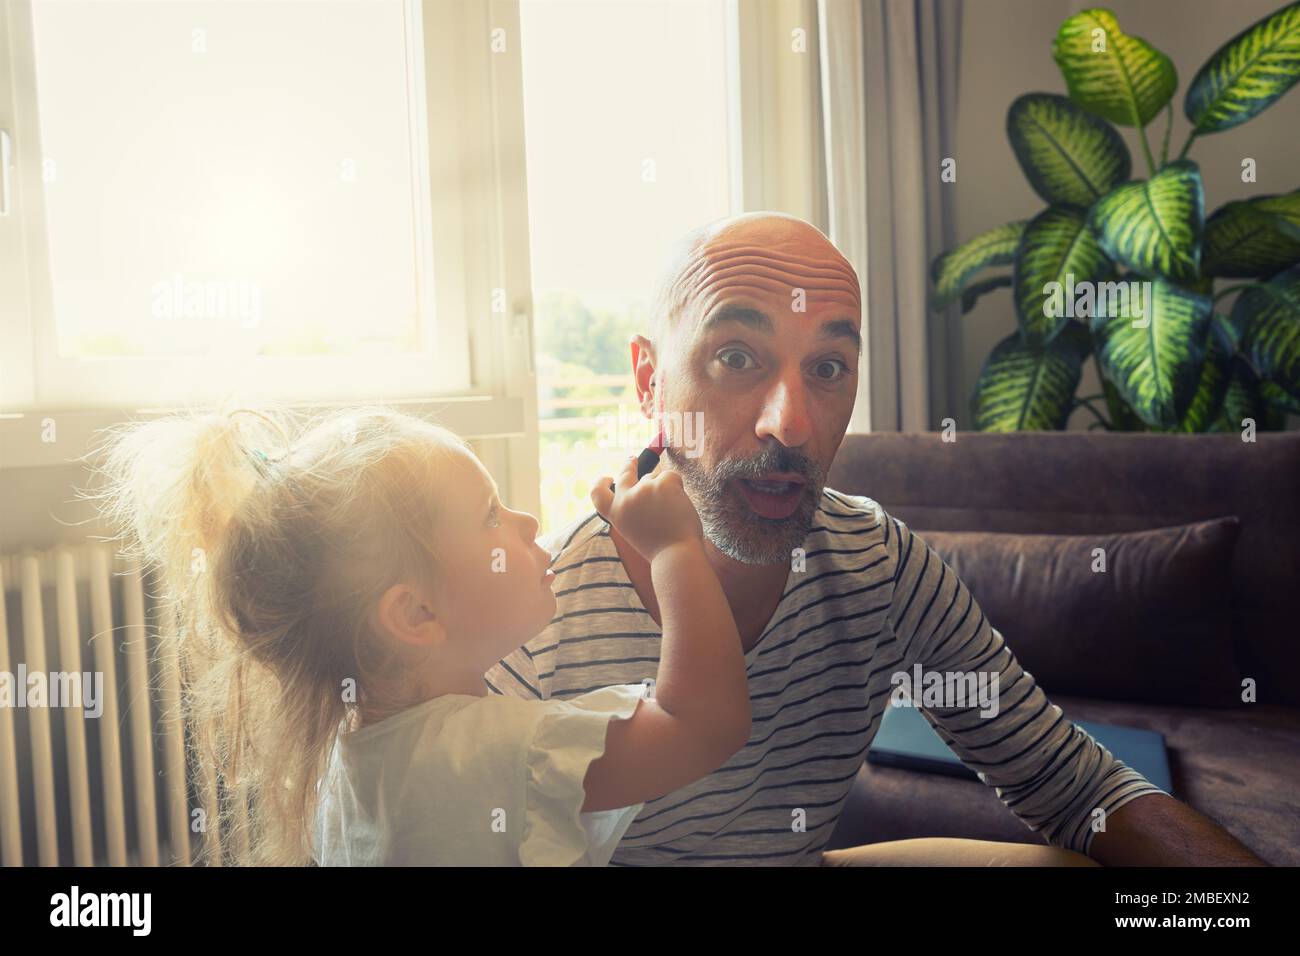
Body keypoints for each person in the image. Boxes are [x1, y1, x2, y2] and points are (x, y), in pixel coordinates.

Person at [486, 211, 1268, 867]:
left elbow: (1074, 784)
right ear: (650, 379)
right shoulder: (532, 609)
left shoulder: (878, 563)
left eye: (828, 367)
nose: (789, 424)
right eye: (735, 357)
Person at [92, 405, 748, 865]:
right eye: (491, 515)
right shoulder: (506, 754)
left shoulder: (340, 766)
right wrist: (674, 547)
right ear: (414, 617)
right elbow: (704, 726)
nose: (528, 522)